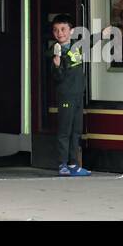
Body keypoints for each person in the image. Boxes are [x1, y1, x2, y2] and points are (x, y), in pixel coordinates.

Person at [50, 13, 91, 177]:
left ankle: (74, 164)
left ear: (71, 31)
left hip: (78, 95)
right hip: (66, 96)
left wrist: (103, 34)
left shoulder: (77, 46)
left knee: (76, 130)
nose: (59, 33)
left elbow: (90, 41)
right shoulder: (54, 51)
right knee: (65, 130)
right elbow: (57, 77)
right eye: (56, 30)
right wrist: (57, 65)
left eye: (63, 29)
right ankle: (62, 164)